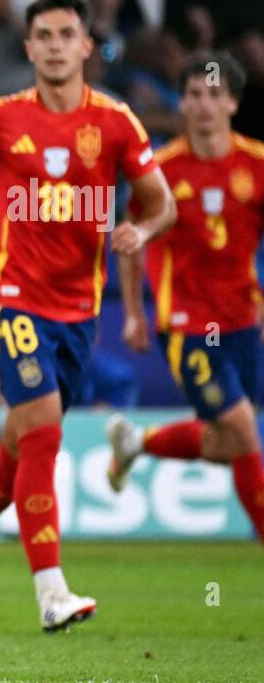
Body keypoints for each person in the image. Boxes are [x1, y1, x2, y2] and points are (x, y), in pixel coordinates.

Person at [0, 0, 175, 630]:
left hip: (78, 310)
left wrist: (140, 233)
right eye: (43, 34)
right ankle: (51, 591)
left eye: (67, 33)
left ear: (86, 45)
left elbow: (160, 203)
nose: (55, 44)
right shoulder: (0, 118)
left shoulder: (117, 123)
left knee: (21, 440)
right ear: (29, 47)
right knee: (43, 430)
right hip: (11, 295)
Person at [106, 52, 264, 544]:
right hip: (189, 324)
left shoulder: (257, 165)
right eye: (195, 94)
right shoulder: (161, 171)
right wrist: (133, 313)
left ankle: (140, 442)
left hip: (243, 320)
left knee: (226, 443)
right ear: (182, 102)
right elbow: (131, 242)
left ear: (234, 103)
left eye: (215, 94)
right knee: (242, 430)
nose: (204, 105)